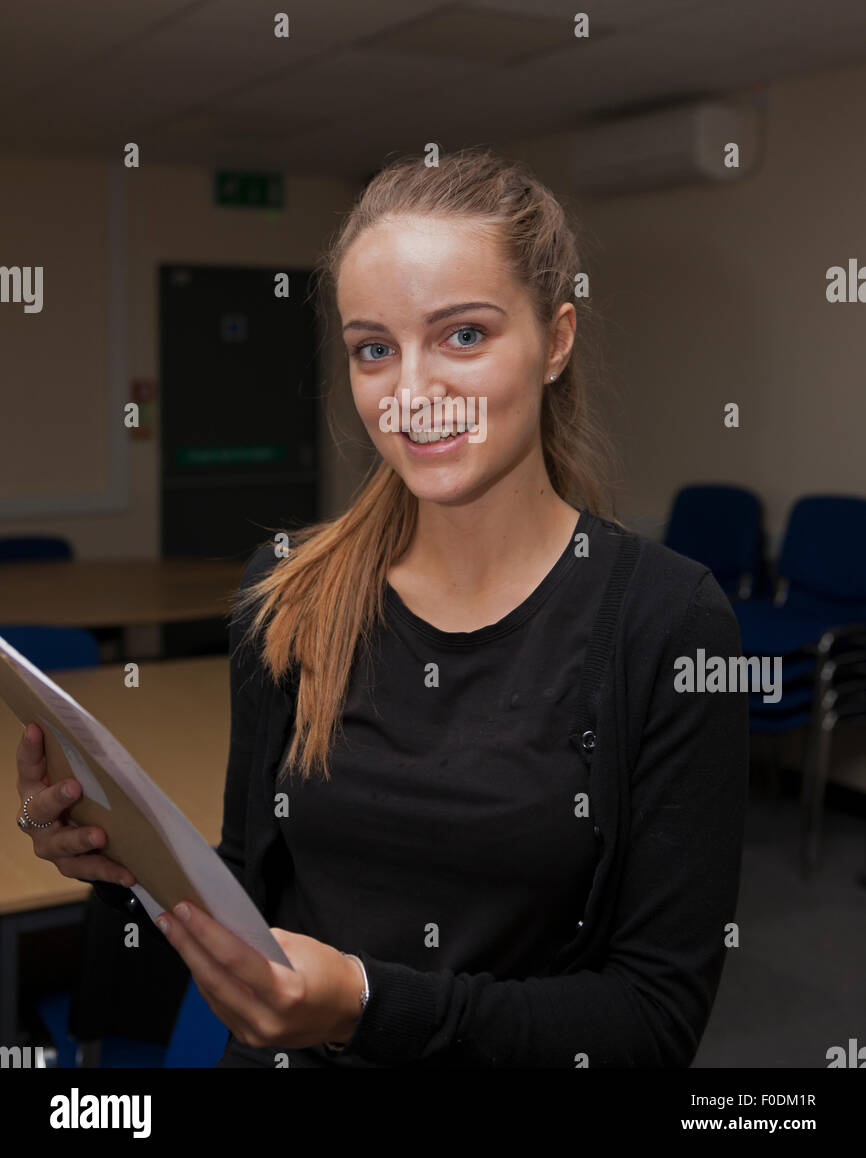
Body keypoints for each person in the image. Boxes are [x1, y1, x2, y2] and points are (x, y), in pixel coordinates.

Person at [15, 148, 748, 1068]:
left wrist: (364, 1006)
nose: (411, 392)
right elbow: (249, 881)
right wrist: (120, 864)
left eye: (464, 336)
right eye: (374, 348)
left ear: (556, 339)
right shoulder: (288, 593)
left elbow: (651, 1024)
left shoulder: (667, 623)